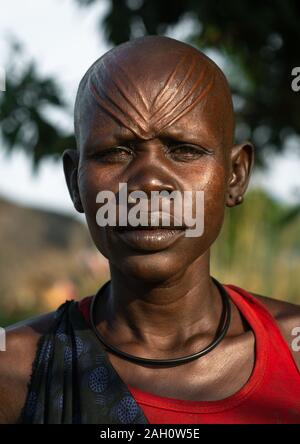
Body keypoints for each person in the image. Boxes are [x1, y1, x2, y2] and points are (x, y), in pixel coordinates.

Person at [0, 36, 299, 424]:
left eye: (184, 150)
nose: (149, 183)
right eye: (115, 152)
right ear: (75, 182)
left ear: (235, 176)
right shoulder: (16, 371)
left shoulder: (291, 351)